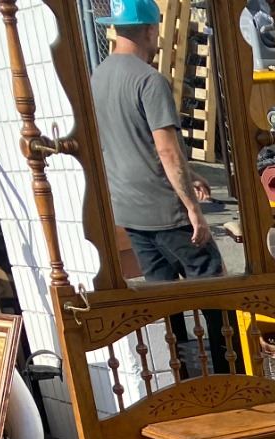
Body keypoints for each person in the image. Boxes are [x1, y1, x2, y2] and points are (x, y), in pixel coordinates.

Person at [91, 0, 230, 373]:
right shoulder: (148, 80)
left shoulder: (98, 78)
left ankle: (184, 380)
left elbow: (135, 143)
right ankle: (226, 379)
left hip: (130, 211)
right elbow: (165, 149)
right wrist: (194, 209)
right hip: (166, 210)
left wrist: (190, 174)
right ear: (152, 31)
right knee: (215, 293)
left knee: (166, 304)